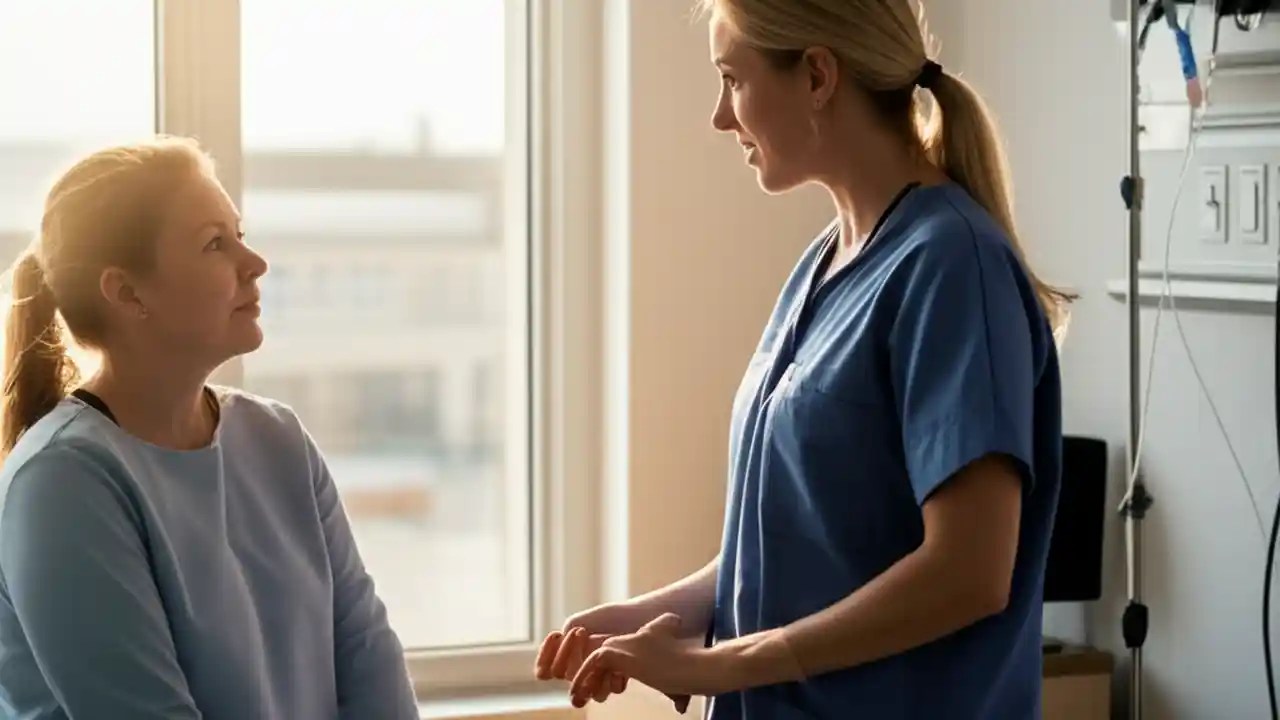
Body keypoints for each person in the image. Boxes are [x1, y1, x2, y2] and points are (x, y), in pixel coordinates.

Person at [535, 0, 1071, 717]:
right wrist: (644, 618)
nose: (722, 117)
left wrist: (727, 665)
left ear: (817, 74)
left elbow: (969, 571)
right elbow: (798, 547)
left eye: (732, 79)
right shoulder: (824, 265)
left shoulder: (951, 268)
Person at [0, 137, 419, 719]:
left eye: (239, 235)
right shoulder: (61, 483)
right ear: (127, 292)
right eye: (214, 244)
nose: (256, 264)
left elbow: (366, 654)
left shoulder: (279, 439)